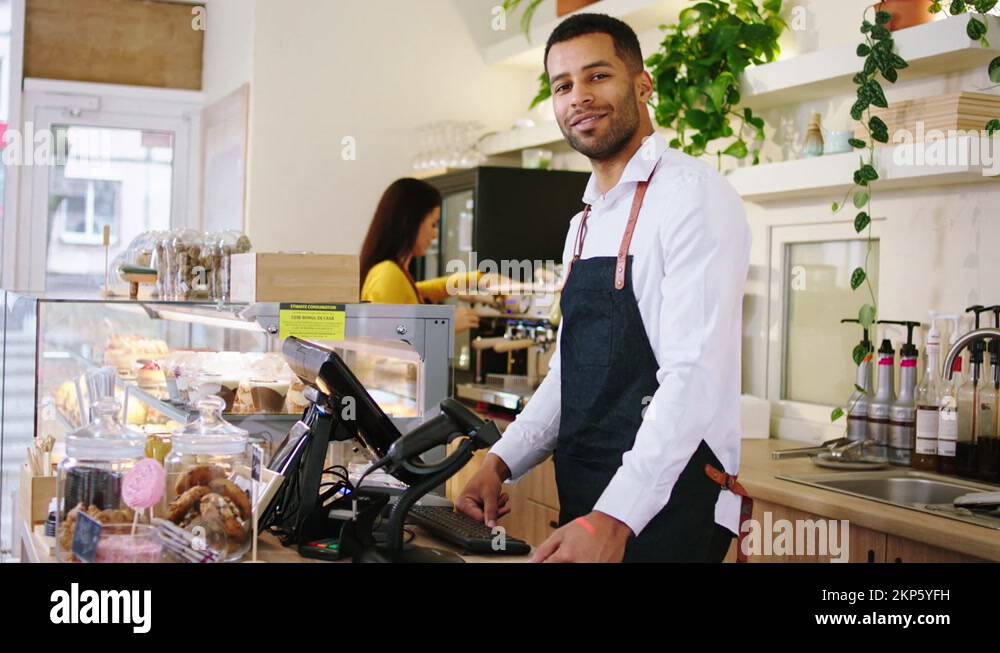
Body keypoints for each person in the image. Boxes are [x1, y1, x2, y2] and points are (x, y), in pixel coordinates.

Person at [455, 14, 751, 563]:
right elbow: (571, 375)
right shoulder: (584, 223)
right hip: (588, 499)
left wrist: (618, 517)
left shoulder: (695, 197)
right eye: (563, 86)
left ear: (642, 85)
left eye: (597, 77)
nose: (579, 98)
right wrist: (501, 461)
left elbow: (692, 381)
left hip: (667, 503)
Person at [359, 178, 480, 332]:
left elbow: (425, 290)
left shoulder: (394, 272)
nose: (435, 234)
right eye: (433, 224)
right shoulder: (388, 273)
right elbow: (386, 341)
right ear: (412, 222)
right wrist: (445, 329)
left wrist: (480, 278)